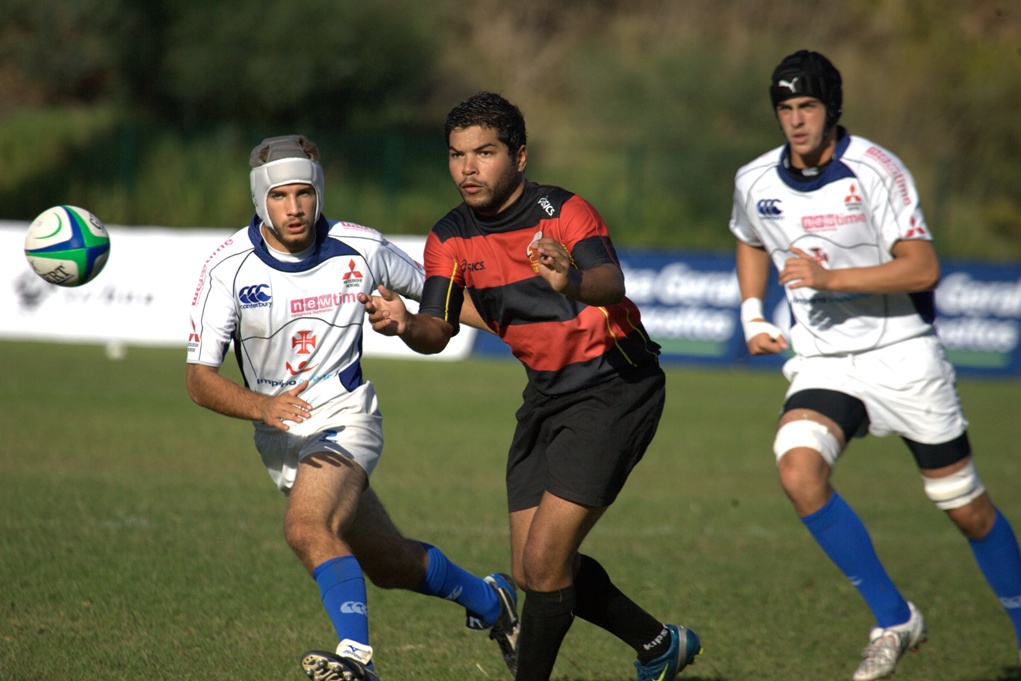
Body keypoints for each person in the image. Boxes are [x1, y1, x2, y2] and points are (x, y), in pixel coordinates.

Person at [359, 91, 702, 681]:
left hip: (616, 386)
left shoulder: (565, 211)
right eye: (457, 155)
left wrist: (569, 278)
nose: (467, 168)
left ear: (518, 156)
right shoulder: (449, 236)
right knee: (531, 567)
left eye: (484, 152)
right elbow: (438, 329)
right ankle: (657, 644)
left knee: (545, 565)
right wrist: (404, 324)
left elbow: (611, 282)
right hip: (546, 394)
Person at [729, 49, 1021, 680]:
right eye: (785, 109)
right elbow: (750, 236)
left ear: (832, 108)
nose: (796, 121)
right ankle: (893, 617)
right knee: (798, 471)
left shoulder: (876, 170)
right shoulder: (755, 179)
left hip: (903, 353)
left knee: (963, 505)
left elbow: (923, 266)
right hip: (825, 359)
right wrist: (753, 313)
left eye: (807, 106)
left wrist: (830, 279)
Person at [185, 134, 519, 681]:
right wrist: (262, 407)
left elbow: (444, 297)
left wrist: (526, 328)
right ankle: (490, 601)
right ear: (259, 199)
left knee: (306, 527)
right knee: (387, 564)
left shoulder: (361, 248)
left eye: (304, 194)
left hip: (345, 417)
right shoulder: (228, 269)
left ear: (319, 192)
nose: (294, 209)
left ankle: (356, 660)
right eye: (279, 196)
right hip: (281, 433)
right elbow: (200, 380)